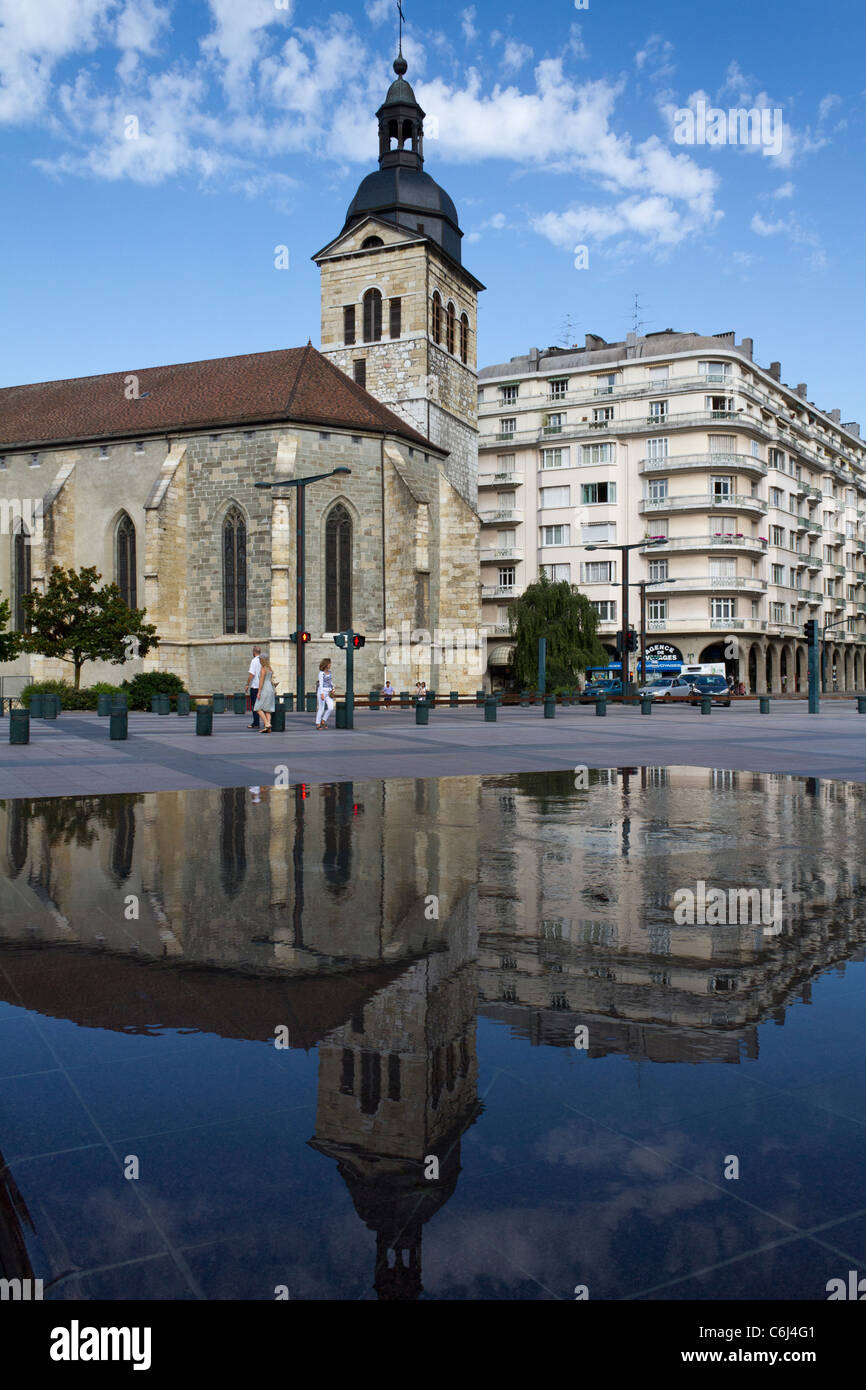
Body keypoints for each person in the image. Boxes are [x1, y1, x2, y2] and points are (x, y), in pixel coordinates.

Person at [254, 655, 276, 732]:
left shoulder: (263, 669)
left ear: (262, 660)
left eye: (260, 659)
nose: (259, 660)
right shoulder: (270, 668)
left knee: (257, 707)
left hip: (265, 689)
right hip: (270, 688)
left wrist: (259, 692)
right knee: (268, 709)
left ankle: (267, 723)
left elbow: (261, 681)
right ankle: (268, 728)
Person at [316, 658, 336, 730]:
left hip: (329, 692)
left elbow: (330, 682)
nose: (330, 665)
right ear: (326, 664)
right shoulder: (321, 673)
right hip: (322, 691)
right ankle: (318, 723)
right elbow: (321, 684)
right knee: (321, 708)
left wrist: (333, 688)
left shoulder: (330, 672)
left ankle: (323, 720)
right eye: (329, 663)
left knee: (331, 707)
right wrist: (321, 694)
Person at [245, 645, 262, 730]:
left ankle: (256, 723)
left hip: (255, 686)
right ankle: (267, 722)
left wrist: (247, 684)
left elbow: (251, 674)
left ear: (254, 652)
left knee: (255, 705)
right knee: (263, 705)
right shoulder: (263, 660)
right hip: (263, 687)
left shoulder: (254, 661)